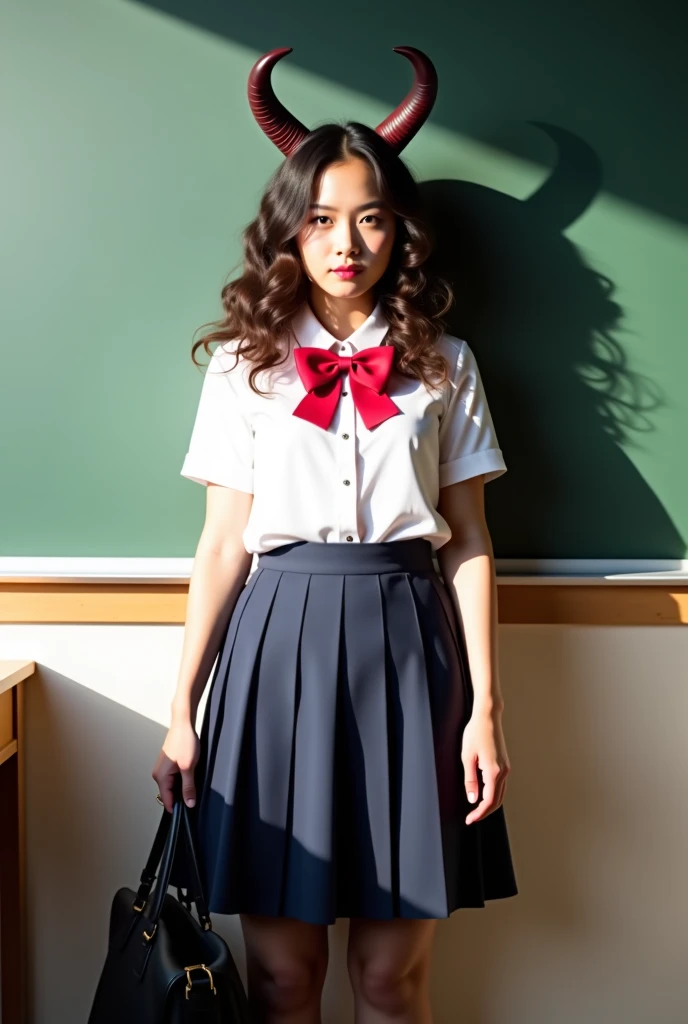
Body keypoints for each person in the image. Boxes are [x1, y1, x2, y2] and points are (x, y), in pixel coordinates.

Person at [152, 46, 518, 1024]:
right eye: (318, 218)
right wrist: (183, 708)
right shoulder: (245, 366)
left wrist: (484, 709)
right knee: (280, 980)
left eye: (368, 216)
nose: (344, 240)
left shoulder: (445, 363)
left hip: (411, 654)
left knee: (391, 980)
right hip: (276, 655)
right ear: (288, 231)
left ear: (398, 229)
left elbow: (470, 540)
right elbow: (223, 542)